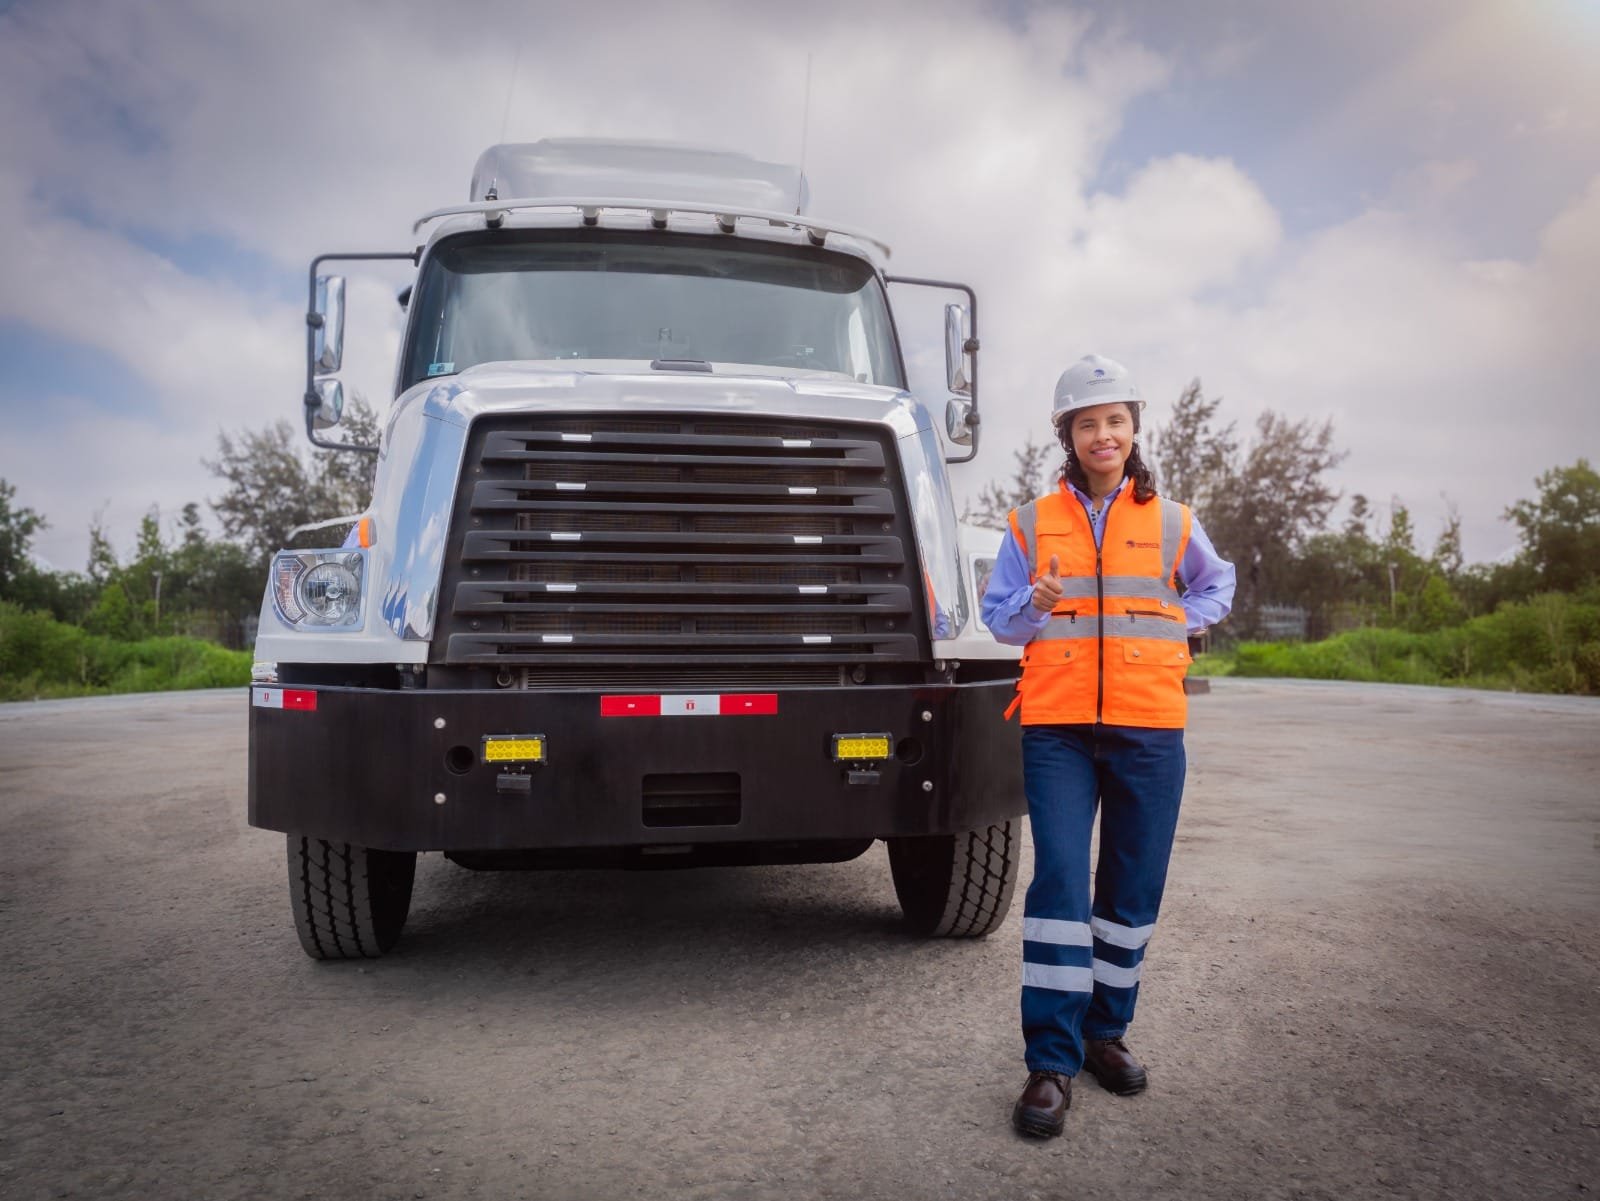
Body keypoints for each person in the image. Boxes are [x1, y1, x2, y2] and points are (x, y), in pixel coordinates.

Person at [979, 354, 1235, 1140]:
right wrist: (1034, 601)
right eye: (1087, 422)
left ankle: (1104, 1032)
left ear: (1133, 428)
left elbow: (1217, 585)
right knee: (1059, 882)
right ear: (1069, 434)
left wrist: (1177, 618)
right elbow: (999, 619)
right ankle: (1050, 1060)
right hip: (1058, 729)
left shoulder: (1173, 521)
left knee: (1130, 888)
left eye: (1115, 420)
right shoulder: (1030, 522)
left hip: (1149, 726)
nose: (1103, 434)